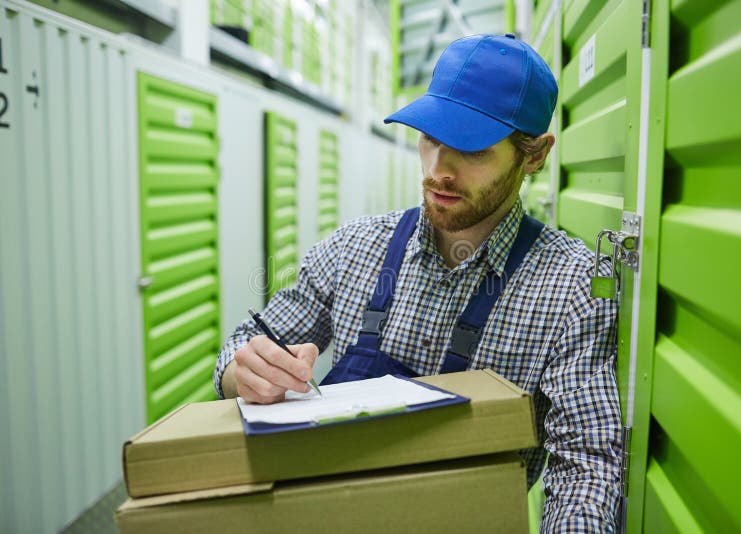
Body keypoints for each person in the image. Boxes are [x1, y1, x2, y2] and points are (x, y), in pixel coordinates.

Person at [214, 34, 621, 532]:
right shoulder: (354, 248)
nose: (438, 171)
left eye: (471, 150)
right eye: (430, 138)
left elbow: (586, 464)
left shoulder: (574, 286)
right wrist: (249, 371)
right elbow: (238, 349)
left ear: (533, 155)